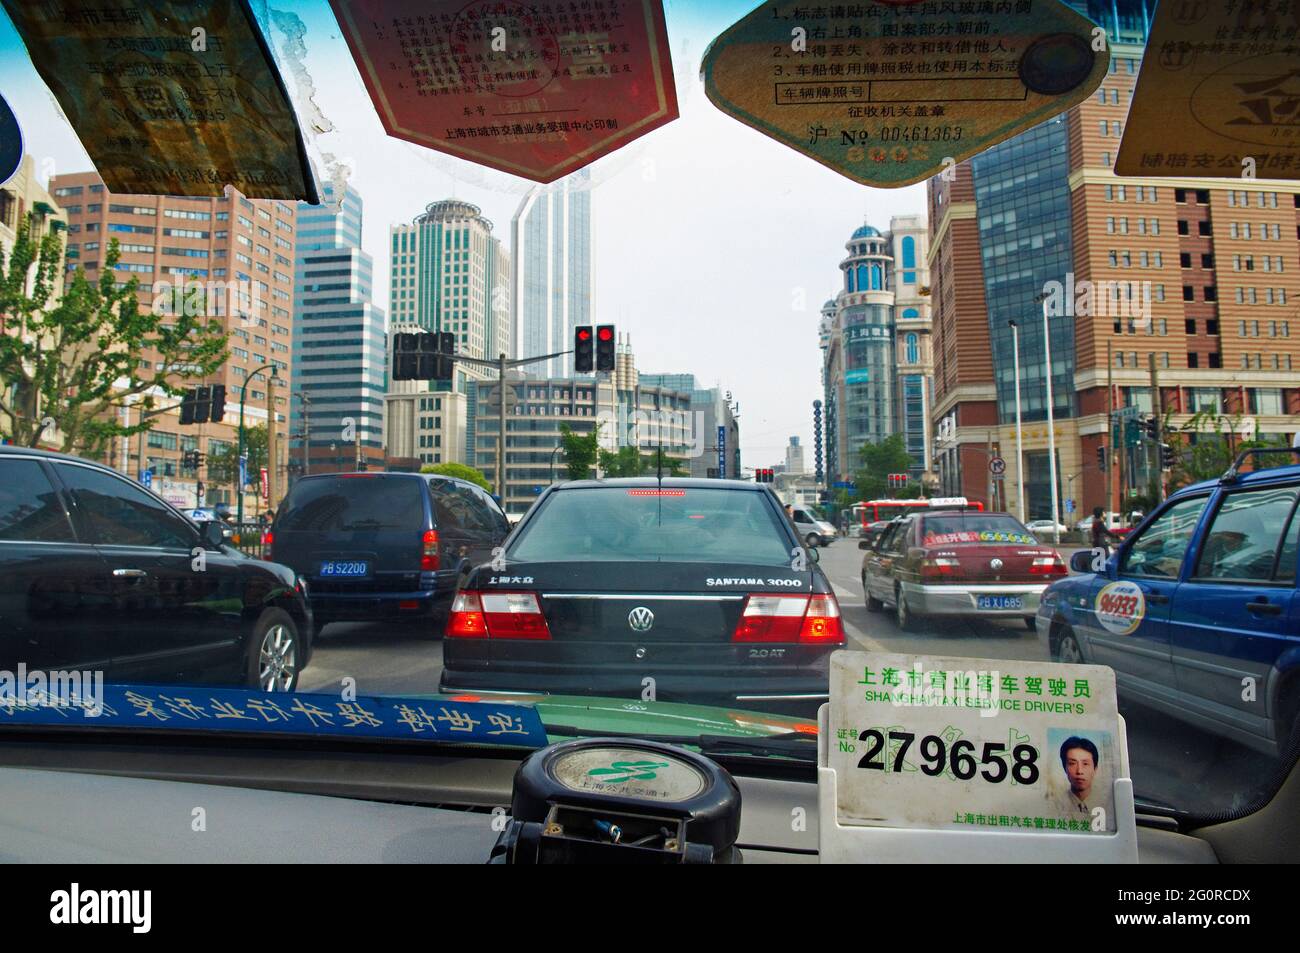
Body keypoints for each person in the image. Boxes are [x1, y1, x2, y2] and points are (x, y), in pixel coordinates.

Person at [1059, 736, 1100, 815]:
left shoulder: (1106, 803)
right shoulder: (1055, 804)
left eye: (1085, 764)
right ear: (1065, 767)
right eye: (1072, 763)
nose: (1079, 771)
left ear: (1095, 769)